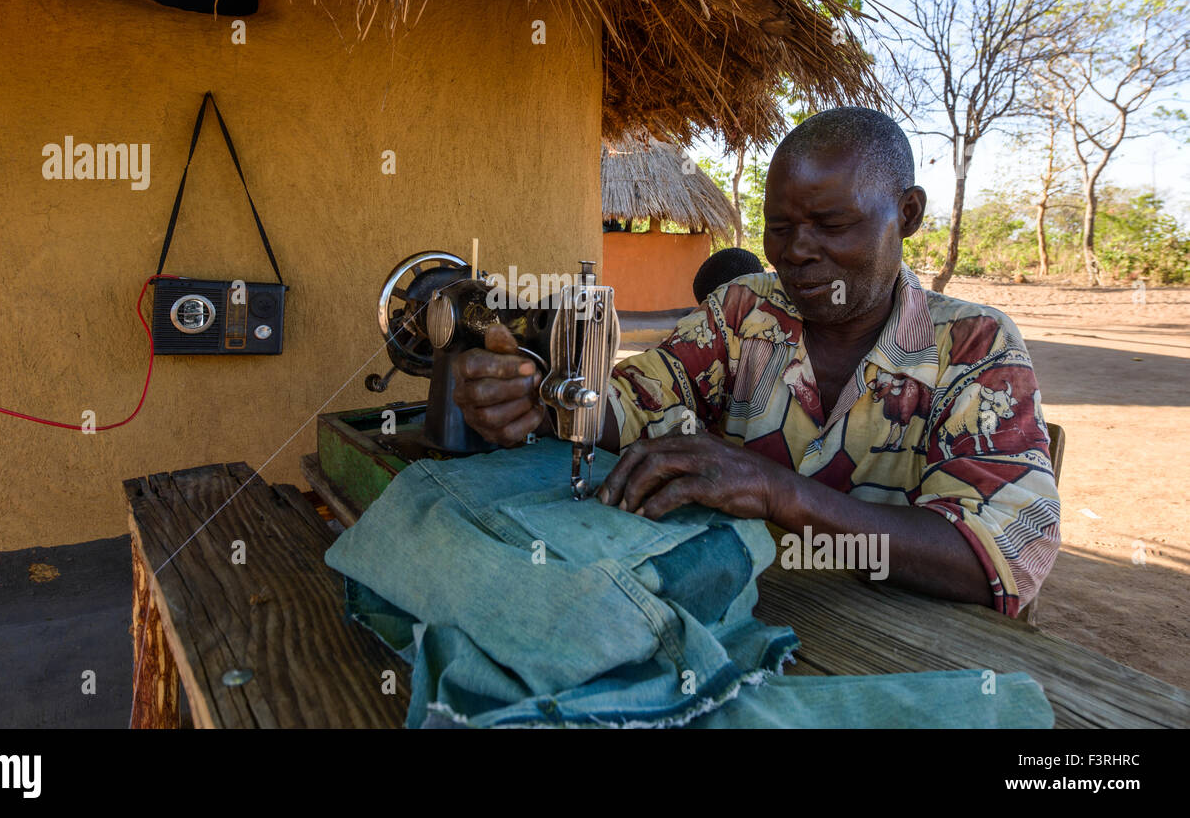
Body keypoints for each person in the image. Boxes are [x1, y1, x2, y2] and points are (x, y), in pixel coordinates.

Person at [452, 107, 1060, 618]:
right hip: (734, 608)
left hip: (890, 638)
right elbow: (636, 402)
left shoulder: (974, 347)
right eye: (779, 228)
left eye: (832, 224)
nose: (797, 252)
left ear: (908, 214)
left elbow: (995, 558)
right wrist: (548, 399)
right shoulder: (743, 312)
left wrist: (777, 492)